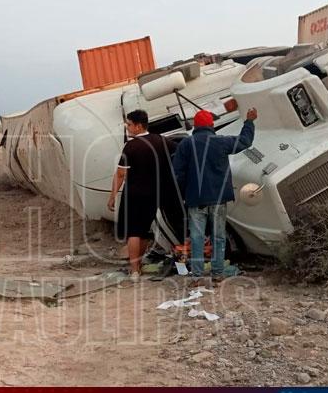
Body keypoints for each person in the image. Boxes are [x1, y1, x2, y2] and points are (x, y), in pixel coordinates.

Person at [172, 108, 258, 280]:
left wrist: (185, 193)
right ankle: (217, 273)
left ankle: (196, 276)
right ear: (211, 125)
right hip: (219, 198)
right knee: (218, 236)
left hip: (195, 199)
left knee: (197, 238)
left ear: (195, 126)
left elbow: (177, 173)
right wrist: (249, 122)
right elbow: (245, 141)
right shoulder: (220, 142)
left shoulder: (186, 144)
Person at [107, 110, 183, 283]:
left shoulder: (131, 146)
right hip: (157, 193)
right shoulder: (162, 141)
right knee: (144, 231)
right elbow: (179, 155)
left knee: (134, 232)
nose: (127, 127)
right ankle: (139, 265)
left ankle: (134, 271)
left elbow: (120, 174)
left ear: (138, 125)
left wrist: (112, 196)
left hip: (135, 194)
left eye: (129, 124)